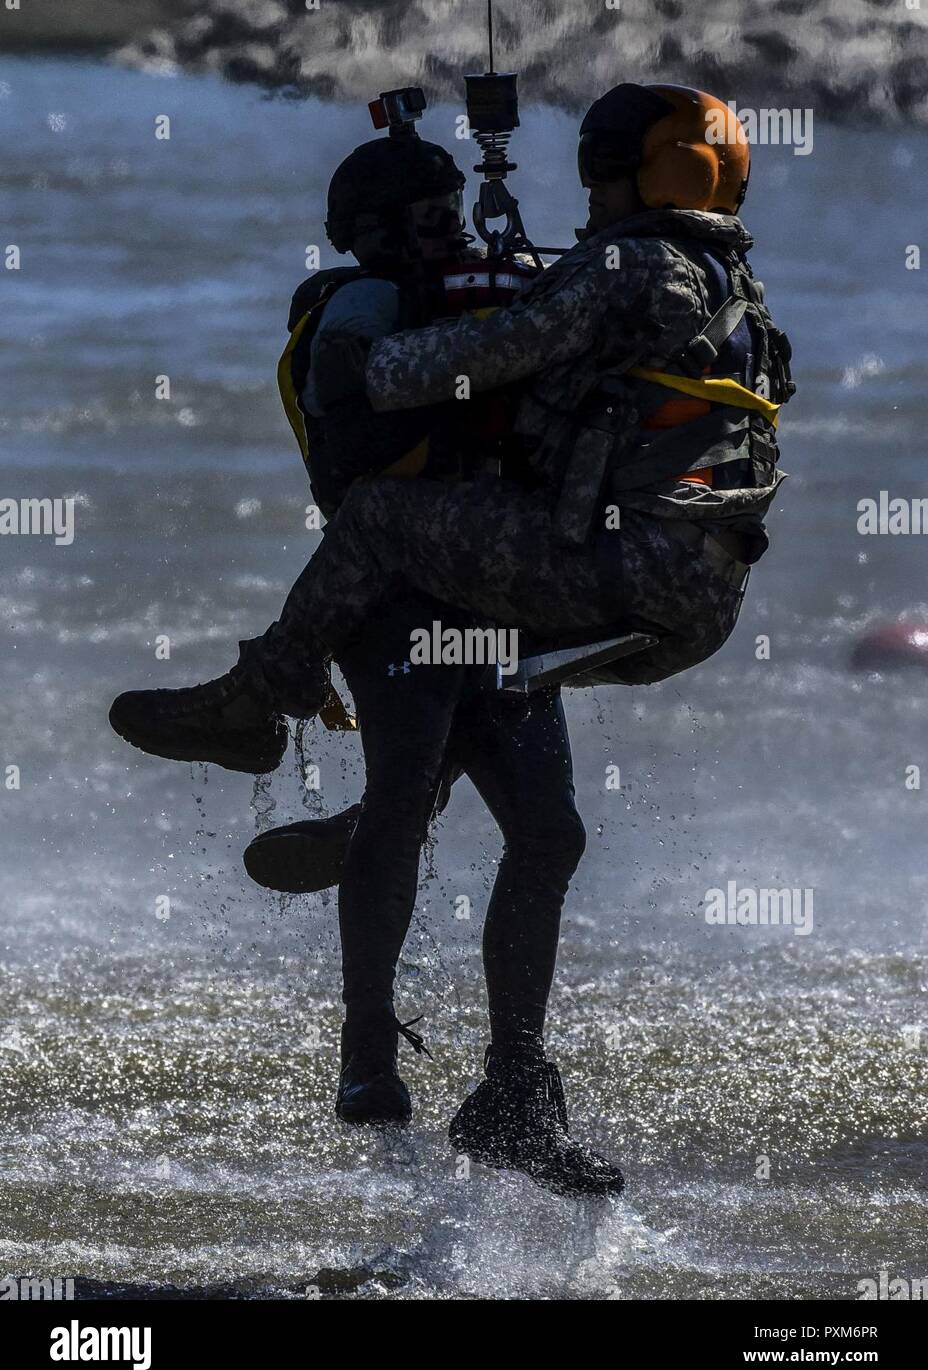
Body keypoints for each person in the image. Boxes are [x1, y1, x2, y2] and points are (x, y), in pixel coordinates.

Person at [113, 81, 796, 1188]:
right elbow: (406, 392)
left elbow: (515, 352)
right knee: (414, 788)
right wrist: (410, 345)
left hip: (520, 573)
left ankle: (510, 1076)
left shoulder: (603, 273)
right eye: (424, 221)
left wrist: (449, 340)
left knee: (531, 823)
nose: (449, 232)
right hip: (512, 590)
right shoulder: (720, 276)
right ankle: (377, 1053)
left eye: (451, 214)